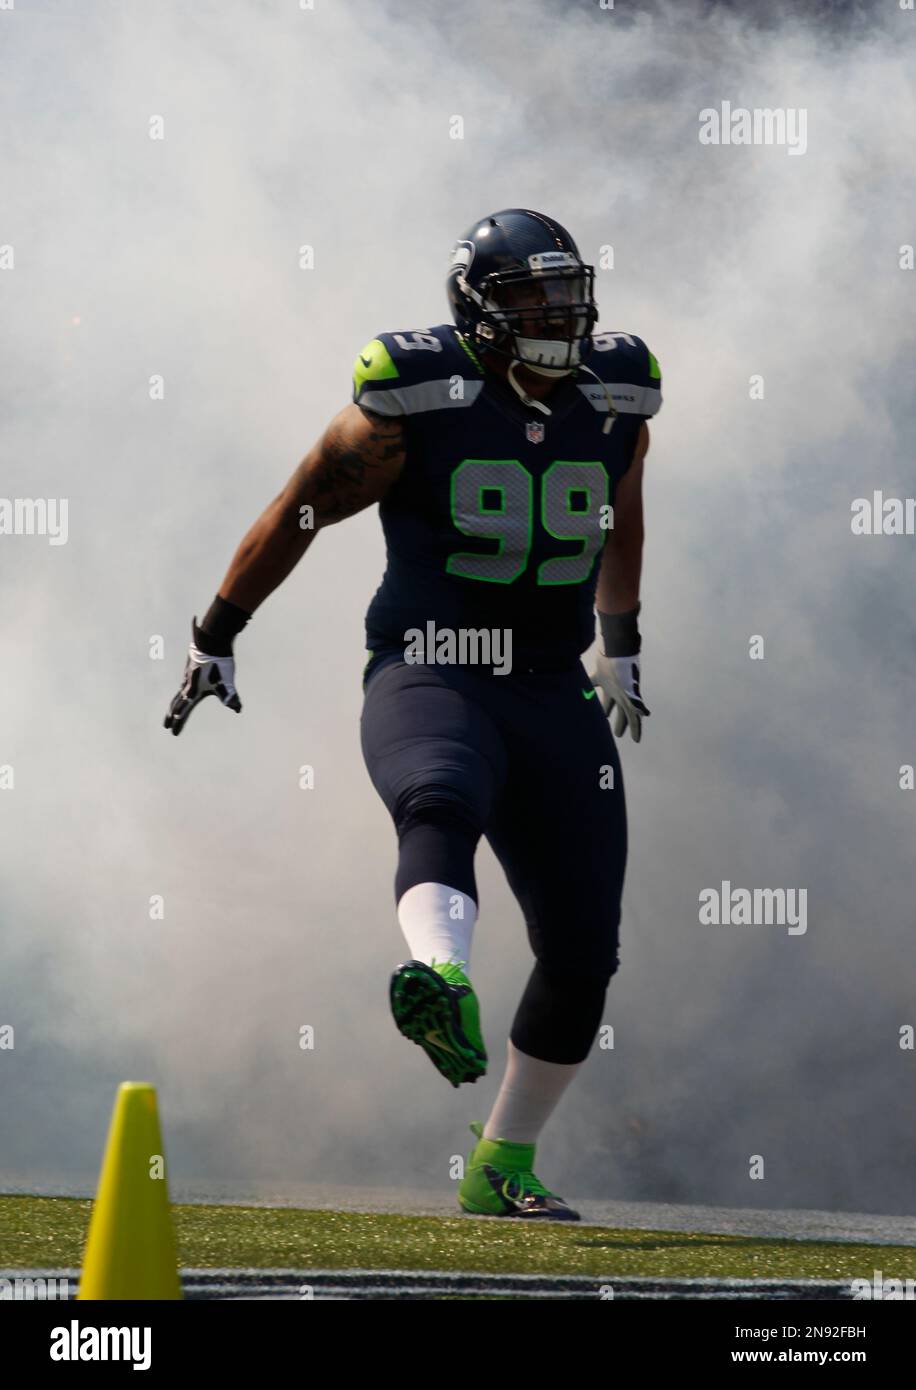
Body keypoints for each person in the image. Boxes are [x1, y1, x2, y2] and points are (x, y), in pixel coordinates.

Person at [165, 208, 662, 1220]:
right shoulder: (415, 395)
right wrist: (217, 630)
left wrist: (621, 641)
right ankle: (439, 976)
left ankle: (501, 1165)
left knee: (583, 948)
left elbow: (622, 507)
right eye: (530, 296)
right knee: (439, 795)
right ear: (479, 312)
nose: (558, 313)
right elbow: (302, 502)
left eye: (565, 290)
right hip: (432, 662)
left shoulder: (616, 393)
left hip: (548, 679)